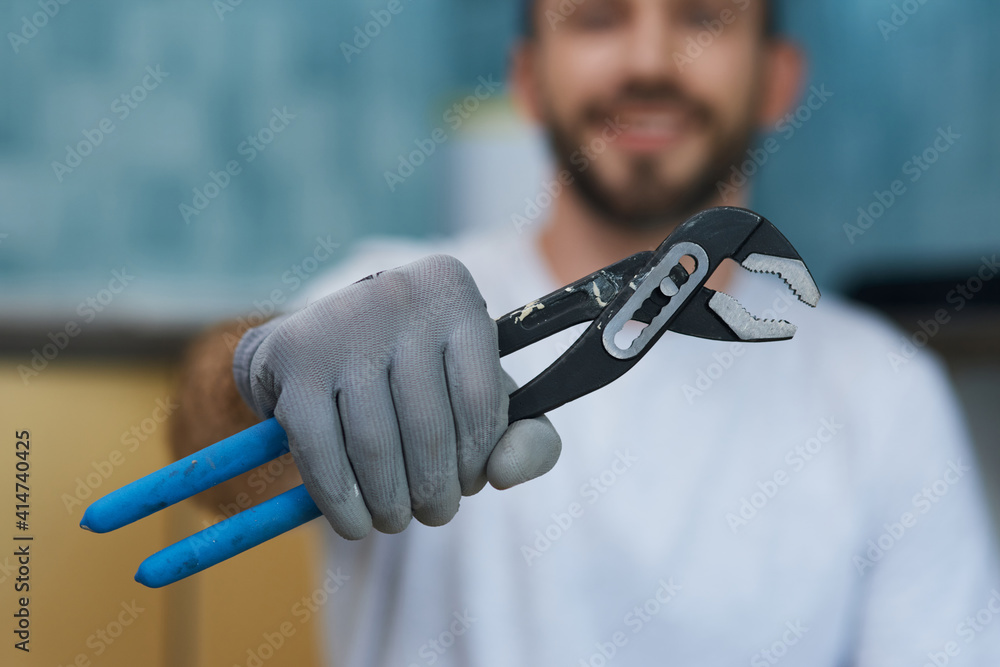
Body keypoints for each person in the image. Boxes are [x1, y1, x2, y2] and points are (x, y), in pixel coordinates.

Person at [169, 0, 1000, 664]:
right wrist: (256, 376)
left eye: (703, 18)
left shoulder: (887, 398)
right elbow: (208, 453)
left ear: (779, 80)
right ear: (528, 77)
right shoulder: (391, 304)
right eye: (598, 18)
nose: (646, 60)